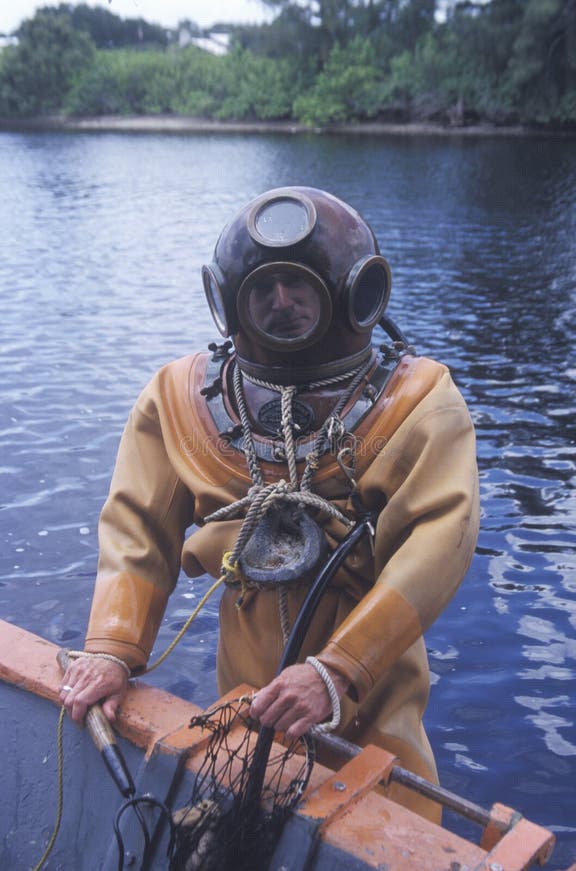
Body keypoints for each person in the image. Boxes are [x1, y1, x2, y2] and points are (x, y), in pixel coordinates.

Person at [60, 186, 480, 822]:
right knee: (250, 789)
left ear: (356, 294)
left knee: (389, 809)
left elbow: (438, 542)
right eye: (264, 289)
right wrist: (112, 647)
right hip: (249, 686)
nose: (281, 302)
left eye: (299, 285)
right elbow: (136, 527)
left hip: (371, 686)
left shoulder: (418, 404)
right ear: (228, 301)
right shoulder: (182, 401)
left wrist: (339, 670)